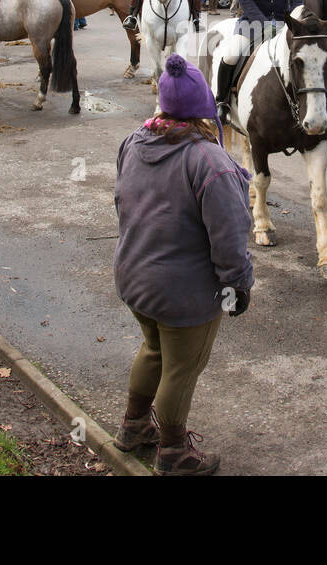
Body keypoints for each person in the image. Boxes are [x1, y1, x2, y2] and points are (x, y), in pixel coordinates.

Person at [113, 54, 253, 475]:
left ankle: (134, 427)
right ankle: (173, 453)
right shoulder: (210, 162)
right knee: (182, 368)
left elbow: (124, 203)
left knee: (155, 348)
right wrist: (238, 285)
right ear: (204, 110)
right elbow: (229, 238)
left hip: (135, 278)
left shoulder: (134, 141)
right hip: (183, 292)